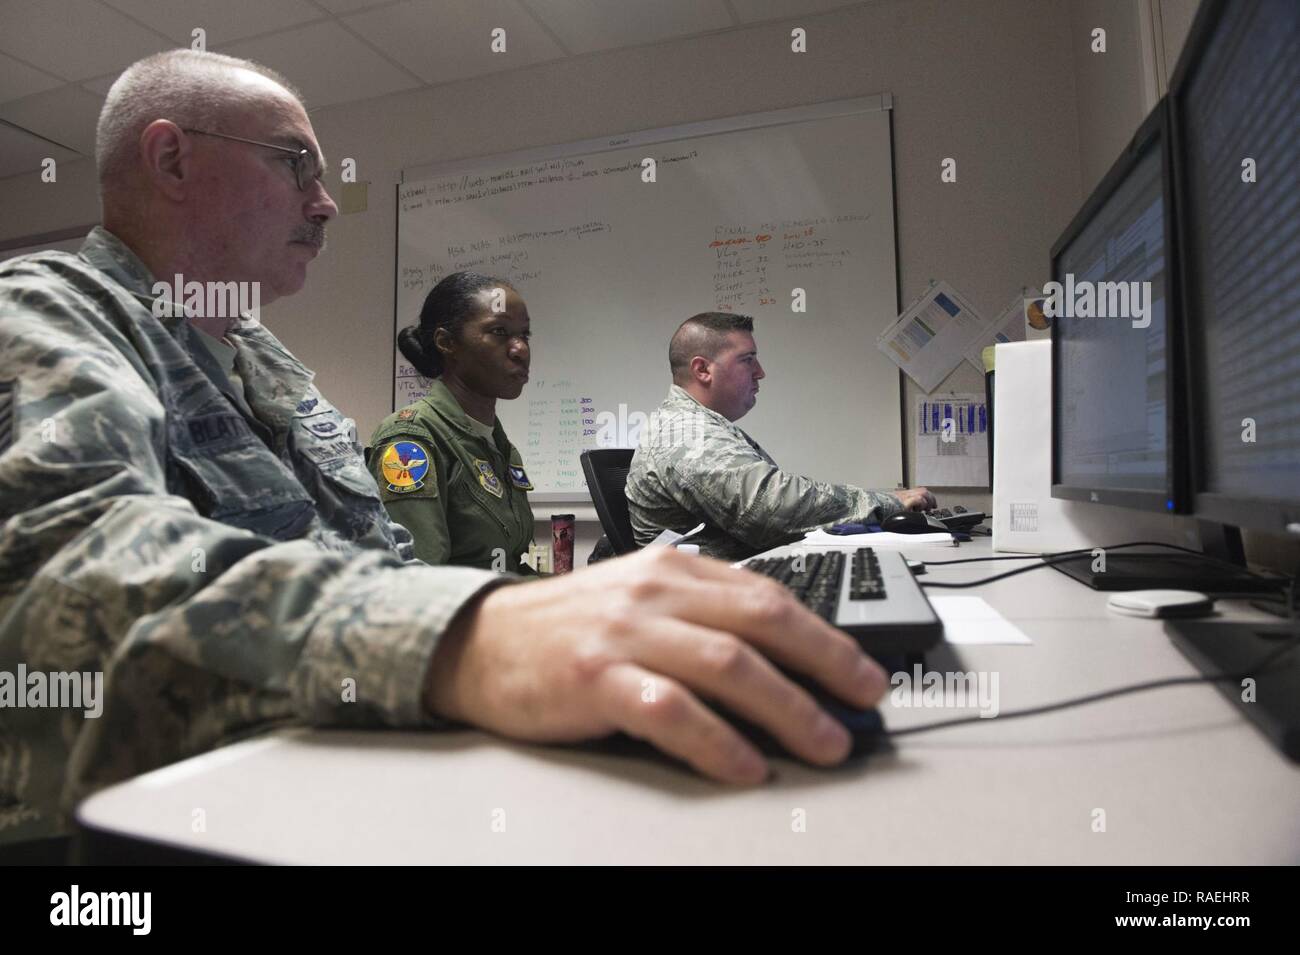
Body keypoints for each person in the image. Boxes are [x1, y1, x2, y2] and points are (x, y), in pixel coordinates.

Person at [0, 51, 888, 847]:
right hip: (152, 826)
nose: (325, 198)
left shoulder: (268, 363)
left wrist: (561, 631)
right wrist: (470, 636)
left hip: (346, 769)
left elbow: (382, 561)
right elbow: (70, 579)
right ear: (171, 158)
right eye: (293, 162)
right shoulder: (42, 311)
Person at [626, 312, 937, 561]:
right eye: (747, 359)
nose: (760, 372)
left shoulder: (698, 425)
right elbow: (770, 506)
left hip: (733, 591)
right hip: (713, 610)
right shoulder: (684, 434)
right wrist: (888, 503)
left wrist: (881, 503)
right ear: (702, 370)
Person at [370, 273, 536, 571]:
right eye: (499, 331)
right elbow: (418, 581)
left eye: (524, 335)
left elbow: (510, 565)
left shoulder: (498, 446)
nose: (520, 349)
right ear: (447, 342)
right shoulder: (411, 440)